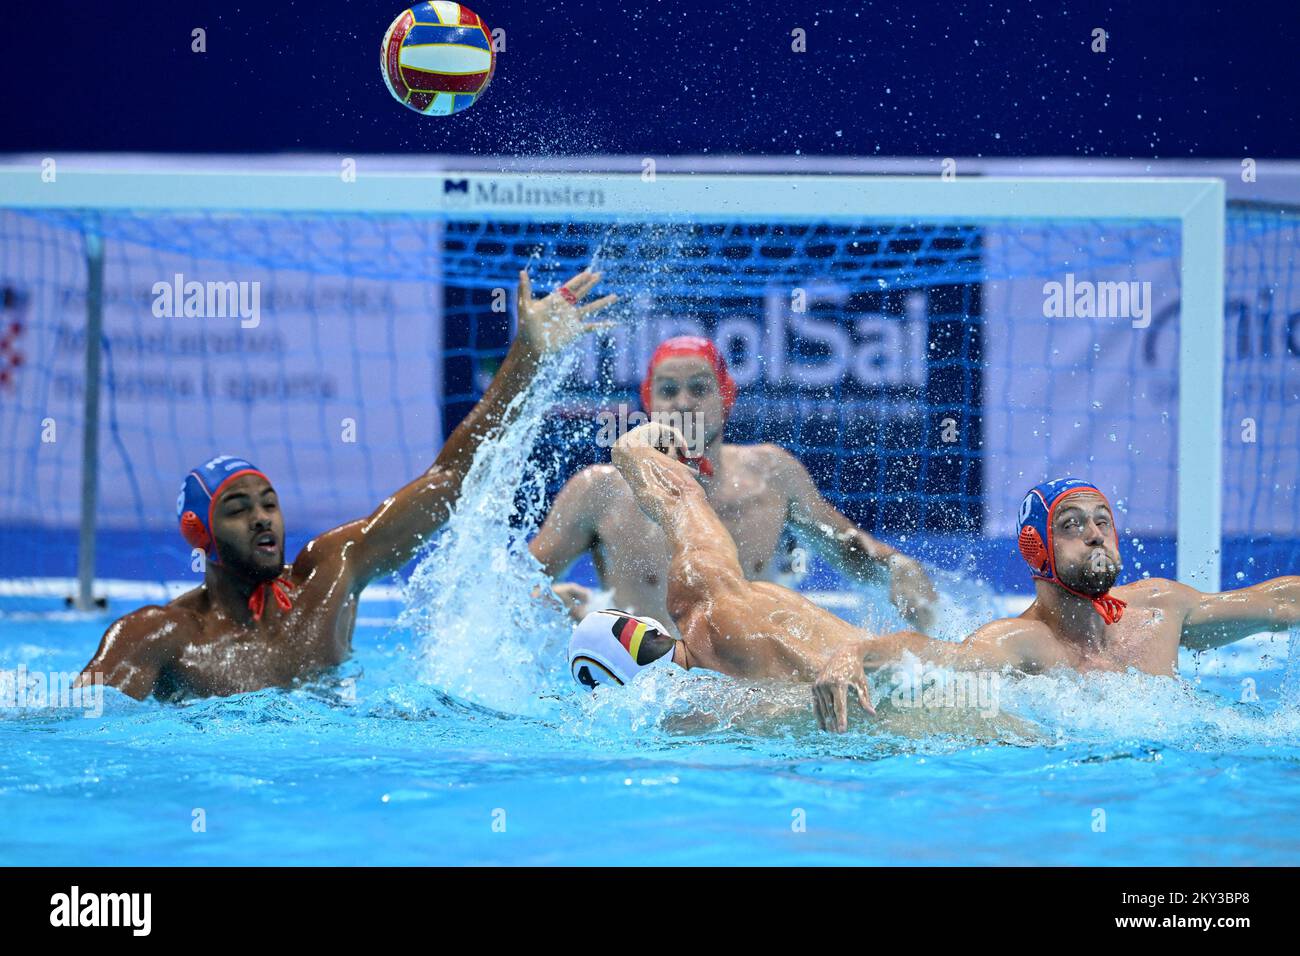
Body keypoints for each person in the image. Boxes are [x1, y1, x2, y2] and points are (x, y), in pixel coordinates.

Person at [77, 269, 618, 701]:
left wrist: (527, 356)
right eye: (238, 509)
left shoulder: (329, 575)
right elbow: (77, 726)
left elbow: (449, 482)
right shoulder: (159, 635)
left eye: (269, 503)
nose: (263, 517)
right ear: (200, 533)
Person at [532, 335, 939, 633]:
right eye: (669, 391)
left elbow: (849, 550)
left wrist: (896, 567)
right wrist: (551, 603)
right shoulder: (599, 492)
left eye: (699, 389)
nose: (684, 403)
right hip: (652, 692)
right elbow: (508, 590)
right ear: (648, 400)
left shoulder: (773, 476)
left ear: (726, 396)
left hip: (751, 689)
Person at [566, 421, 912, 733]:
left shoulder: (702, 721)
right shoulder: (706, 600)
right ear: (647, 628)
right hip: (915, 700)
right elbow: (680, 497)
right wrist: (631, 450)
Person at [848, 477, 1300, 678]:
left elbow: (1278, 604)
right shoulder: (1021, 642)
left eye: (1104, 522)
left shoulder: (1159, 610)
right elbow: (932, 656)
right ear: (1036, 548)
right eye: (1072, 525)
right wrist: (856, 656)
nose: (1096, 535)